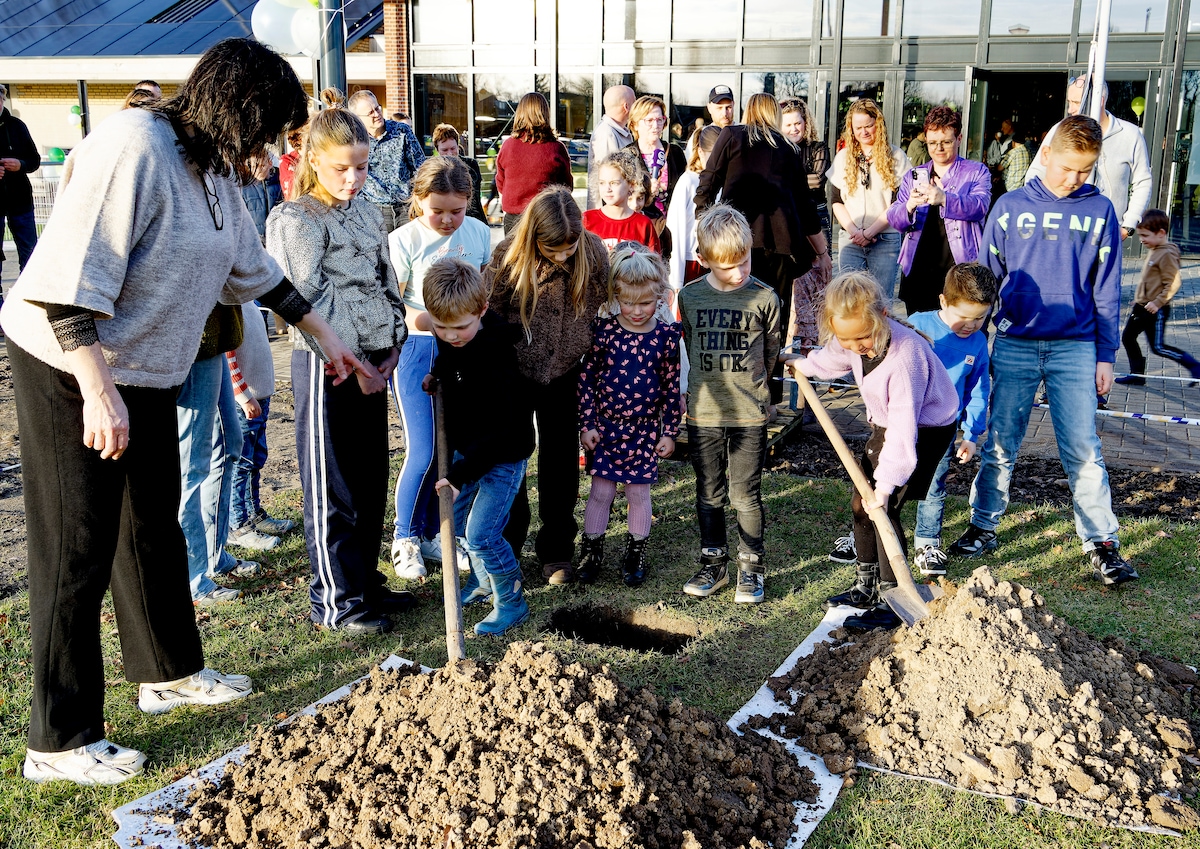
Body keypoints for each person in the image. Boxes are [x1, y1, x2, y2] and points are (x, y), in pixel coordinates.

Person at [2, 37, 364, 786]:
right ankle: (59, 738)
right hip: (70, 361)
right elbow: (67, 285)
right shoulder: (133, 146)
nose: (267, 148)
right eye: (265, 129)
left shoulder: (209, 168)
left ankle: (166, 671)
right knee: (77, 544)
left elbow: (251, 270)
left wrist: (327, 339)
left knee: (150, 525)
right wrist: (98, 392)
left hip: (142, 368)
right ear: (238, 109)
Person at [948, 116, 1139, 587]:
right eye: (1068, 167)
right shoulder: (1009, 207)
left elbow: (1106, 288)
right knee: (999, 441)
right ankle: (982, 525)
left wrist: (1105, 355)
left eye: (1086, 170)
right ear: (1047, 153)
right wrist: (971, 335)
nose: (1076, 178)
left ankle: (1102, 544)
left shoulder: (1101, 212)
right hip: (1013, 342)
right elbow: (986, 277)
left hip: (1075, 346)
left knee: (1083, 449)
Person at [266, 105, 415, 634]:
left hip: (376, 363)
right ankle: (336, 600)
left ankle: (363, 582)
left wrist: (393, 344)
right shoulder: (295, 219)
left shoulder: (369, 212)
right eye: (341, 169)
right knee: (334, 487)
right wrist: (350, 360)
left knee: (370, 480)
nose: (353, 178)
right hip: (329, 368)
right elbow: (306, 297)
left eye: (362, 166)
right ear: (312, 160)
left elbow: (385, 279)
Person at [788, 272, 959, 630]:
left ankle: (892, 595)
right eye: (846, 338)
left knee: (885, 507)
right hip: (888, 425)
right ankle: (865, 585)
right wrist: (802, 365)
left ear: (882, 315)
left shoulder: (904, 358)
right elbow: (833, 359)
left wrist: (884, 487)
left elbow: (902, 432)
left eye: (862, 337)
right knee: (859, 503)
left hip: (924, 430)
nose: (856, 346)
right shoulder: (852, 339)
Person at [483, 186, 609, 585]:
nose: (562, 255)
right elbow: (491, 314)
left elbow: (603, 302)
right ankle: (510, 547)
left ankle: (556, 550)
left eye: (568, 248)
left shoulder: (591, 252)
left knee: (559, 462)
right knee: (514, 462)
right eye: (552, 249)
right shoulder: (508, 256)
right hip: (516, 372)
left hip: (567, 371)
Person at [387, 155, 489, 580]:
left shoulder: (480, 234)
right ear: (418, 201)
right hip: (419, 349)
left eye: (457, 210)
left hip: (464, 351)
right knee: (425, 449)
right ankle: (405, 537)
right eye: (437, 211)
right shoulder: (403, 240)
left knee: (451, 451)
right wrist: (439, 323)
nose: (447, 220)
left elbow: (481, 294)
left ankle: (434, 533)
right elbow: (395, 307)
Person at [695, 93, 831, 403]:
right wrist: (821, 252)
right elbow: (805, 206)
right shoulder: (787, 148)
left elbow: (708, 182)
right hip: (780, 245)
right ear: (775, 116)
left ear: (748, 111)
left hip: (736, 243)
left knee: (734, 318)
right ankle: (766, 396)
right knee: (773, 321)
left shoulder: (731, 135)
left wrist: (705, 227)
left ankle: (730, 390)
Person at [423, 258, 535, 635]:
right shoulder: (454, 336)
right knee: (463, 516)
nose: (451, 335)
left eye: (460, 328)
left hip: (502, 453)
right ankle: (484, 581)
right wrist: (437, 374)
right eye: (441, 327)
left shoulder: (495, 357)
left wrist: (459, 474)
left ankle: (512, 600)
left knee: (482, 533)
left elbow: (500, 432)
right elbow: (451, 357)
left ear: (482, 310)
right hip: (469, 449)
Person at [679, 205, 781, 605]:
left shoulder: (765, 297)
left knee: (745, 495)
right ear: (703, 259)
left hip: (749, 413)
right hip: (704, 411)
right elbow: (690, 340)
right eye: (727, 267)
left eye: (744, 261)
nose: (738, 273)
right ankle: (713, 562)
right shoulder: (690, 296)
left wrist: (758, 391)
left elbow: (770, 350)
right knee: (709, 491)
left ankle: (751, 567)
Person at [577, 244, 681, 587]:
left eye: (646, 303)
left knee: (638, 494)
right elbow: (587, 379)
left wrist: (670, 432)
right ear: (615, 297)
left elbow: (670, 387)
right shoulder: (604, 333)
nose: (637, 311)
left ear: (660, 297)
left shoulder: (666, 337)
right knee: (601, 493)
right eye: (628, 302)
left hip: (646, 432)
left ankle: (635, 552)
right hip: (606, 430)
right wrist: (587, 424)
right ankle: (591, 551)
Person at [905, 263, 996, 575]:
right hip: (902, 425)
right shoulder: (916, 326)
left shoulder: (977, 343)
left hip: (942, 430)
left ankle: (927, 544)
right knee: (886, 482)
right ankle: (868, 531)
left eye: (980, 319)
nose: (971, 326)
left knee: (933, 486)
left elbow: (978, 390)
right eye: (964, 317)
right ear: (944, 301)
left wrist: (971, 434)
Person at [888, 106, 991, 316]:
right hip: (919, 268)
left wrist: (945, 199)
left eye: (946, 142)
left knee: (961, 330)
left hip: (959, 267)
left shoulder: (976, 171)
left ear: (959, 138)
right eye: (932, 143)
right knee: (920, 331)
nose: (939, 148)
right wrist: (909, 206)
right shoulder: (914, 174)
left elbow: (980, 206)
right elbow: (895, 219)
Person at [1024, 78, 1152, 241]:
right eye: (1069, 102)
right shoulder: (1059, 130)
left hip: (1107, 235)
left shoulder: (1130, 135)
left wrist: (1128, 225)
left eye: (1076, 102)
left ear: (1100, 100)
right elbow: (1034, 175)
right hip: (1061, 234)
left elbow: (1143, 182)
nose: (1070, 109)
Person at [226, 300, 296, 549]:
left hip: (261, 396)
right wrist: (242, 394)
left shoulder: (249, 301)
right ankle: (237, 525)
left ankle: (254, 513)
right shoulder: (228, 302)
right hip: (243, 401)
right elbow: (228, 354)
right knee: (240, 463)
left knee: (256, 458)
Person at [827, 99, 911, 298]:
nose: (863, 132)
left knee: (881, 301)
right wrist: (855, 232)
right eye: (858, 127)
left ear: (878, 125)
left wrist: (870, 232)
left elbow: (899, 202)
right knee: (849, 300)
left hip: (885, 239)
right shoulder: (843, 156)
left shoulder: (896, 156)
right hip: (851, 240)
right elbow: (836, 200)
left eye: (868, 126)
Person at [1116, 208, 1200, 385]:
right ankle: (1137, 375)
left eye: (1145, 235)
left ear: (1161, 233)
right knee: (1128, 337)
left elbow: (1174, 283)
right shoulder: (1156, 248)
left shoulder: (1167, 253)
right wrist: (1140, 297)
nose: (1142, 240)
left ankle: (1195, 367)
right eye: (1140, 235)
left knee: (1158, 347)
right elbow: (1152, 280)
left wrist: (1157, 302)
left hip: (1156, 310)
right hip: (1142, 305)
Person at [347, 89, 426, 233]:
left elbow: (420, 167)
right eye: (370, 113)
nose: (377, 114)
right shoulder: (354, 141)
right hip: (374, 210)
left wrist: (419, 199)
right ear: (357, 118)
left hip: (406, 207)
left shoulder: (402, 131)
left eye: (377, 108)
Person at [494, 92, 573, 234]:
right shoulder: (556, 148)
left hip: (514, 218)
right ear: (545, 113)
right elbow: (566, 186)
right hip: (546, 216)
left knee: (515, 256)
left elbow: (500, 182)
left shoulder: (508, 146)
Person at [666, 125, 722, 292]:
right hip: (691, 263)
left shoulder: (725, 180)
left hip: (718, 262)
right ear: (701, 151)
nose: (717, 163)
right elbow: (675, 231)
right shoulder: (688, 181)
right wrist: (676, 279)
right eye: (713, 157)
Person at [623, 95, 688, 234]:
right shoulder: (626, 156)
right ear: (635, 124)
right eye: (649, 120)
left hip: (673, 228)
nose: (656, 126)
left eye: (660, 120)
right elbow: (620, 196)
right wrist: (646, 191)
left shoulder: (675, 153)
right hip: (639, 229)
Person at [0, 83, 40, 285]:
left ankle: (28, 293)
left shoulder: (17, 126)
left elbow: (34, 160)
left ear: (3, 100)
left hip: (20, 201)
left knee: (30, 253)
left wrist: (20, 164)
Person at [583, 152, 661, 253]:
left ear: (631, 184)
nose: (607, 189)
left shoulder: (643, 225)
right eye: (602, 183)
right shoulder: (587, 220)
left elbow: (654, 265)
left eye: (614, 183)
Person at [587, 85, 636, 209]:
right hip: (610, 214)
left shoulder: (616, 132)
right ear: (626, 106)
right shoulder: (606, 134)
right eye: (635, 102)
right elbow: (610, 179)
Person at [432, 123, 487, 225]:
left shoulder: (472, 165)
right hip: (448, 222)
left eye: (453, 149)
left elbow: (476, 199)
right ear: (437, 150)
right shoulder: (433, 169)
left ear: (458, 146)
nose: (450, 153)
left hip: (473, 219)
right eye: (444, 150)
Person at [998, 129, 1030, 194]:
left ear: (1013, 142)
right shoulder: (1028, 152)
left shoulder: (1013, 152)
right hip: (1021, 186)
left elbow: (1000, 168)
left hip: (1010, 186)